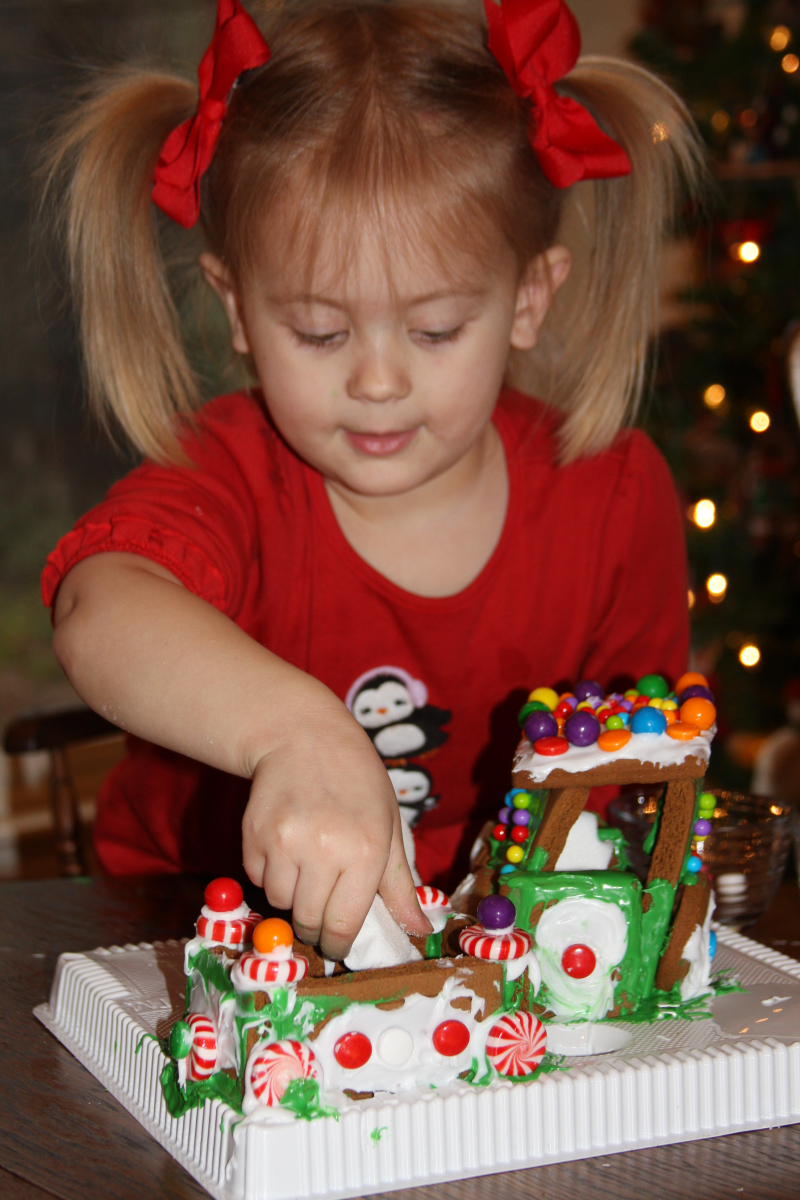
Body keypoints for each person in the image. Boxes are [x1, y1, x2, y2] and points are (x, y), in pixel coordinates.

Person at [42, 0, 704, 959]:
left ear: (529, 297)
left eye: (435, 330)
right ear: (236, 307)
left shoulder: (613, 496)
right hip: (192, 931)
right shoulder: (228, 471)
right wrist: (295, 733)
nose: (379, 382)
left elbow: (636, 783)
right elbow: (98, 610)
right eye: (320, 332)